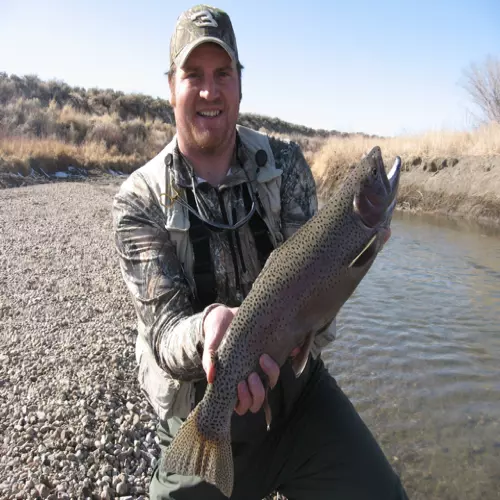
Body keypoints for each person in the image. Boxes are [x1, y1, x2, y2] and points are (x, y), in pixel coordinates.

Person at [112, 4, 409, 499]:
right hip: (204, 408)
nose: (210, 91)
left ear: (240, 83)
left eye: (223, 74)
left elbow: (315, 288)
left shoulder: (286, 164)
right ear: (171, 87)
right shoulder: (138, 201)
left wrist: (363, 252)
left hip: (299, 402)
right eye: (194, 75)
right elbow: (164, 331)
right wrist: (210, 335)